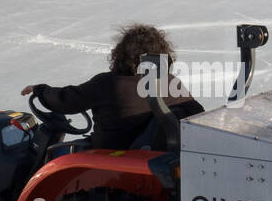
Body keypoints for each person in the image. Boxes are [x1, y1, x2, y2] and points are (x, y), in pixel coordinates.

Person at [21, 23, 203, 150]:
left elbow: (66, 101)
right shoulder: (171, 83)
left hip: (110, 152)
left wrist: (40, 90)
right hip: (150, 153)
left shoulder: (109, 84)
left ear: (121, 53)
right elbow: (196, 114)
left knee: (56, 155)